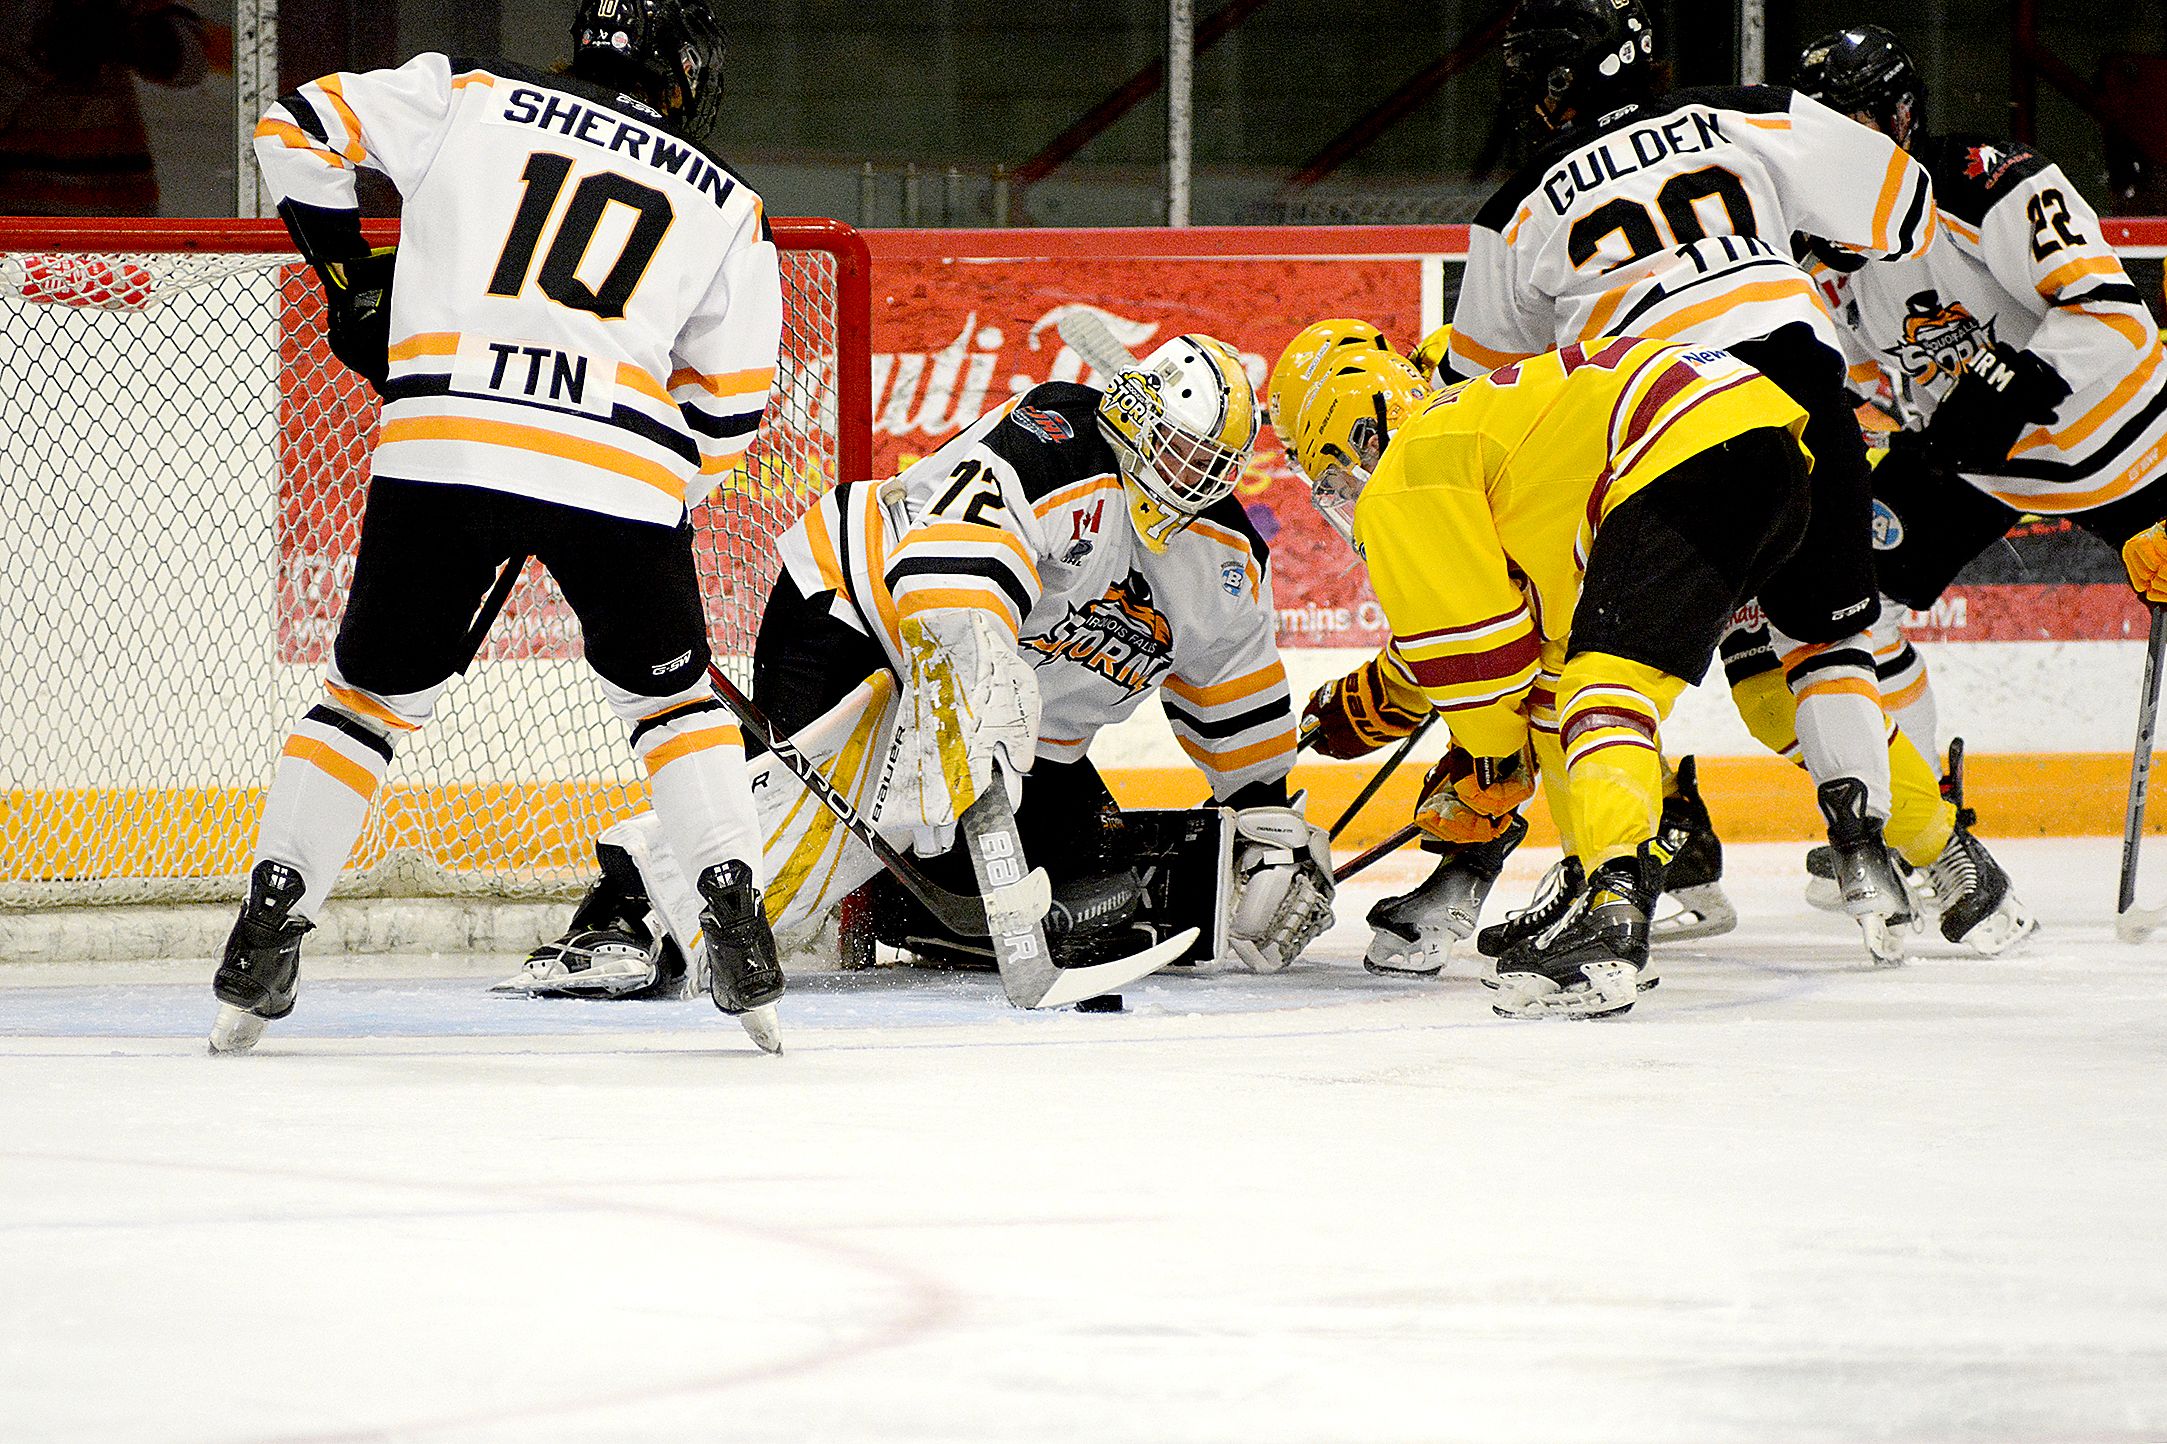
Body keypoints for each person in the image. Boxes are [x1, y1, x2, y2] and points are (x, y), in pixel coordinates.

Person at [212, 0, 786, 1053]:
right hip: (616, 464)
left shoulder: (466, 93)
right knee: (671, 702)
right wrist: (658, 489)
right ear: (679, 67)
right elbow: (735, 403)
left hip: (447, 441)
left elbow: (290, 126)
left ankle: (269, 921)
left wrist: (349, 279)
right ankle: (733, 908)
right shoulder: (726, 198)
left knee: (368, 702)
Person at [509, 333, 1336, 997]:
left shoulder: (1225, 559)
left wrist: (1268, 831)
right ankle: (619, 913)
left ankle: (913, 898)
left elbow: (1235, 698)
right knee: (830, 811)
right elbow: (946, 578)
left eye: (1210, 468)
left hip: (1013, 722)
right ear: (1136, 417)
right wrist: (985, 686)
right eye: (1177, 452)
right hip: (857, 615)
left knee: (1099, 892)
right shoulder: (1054, 439)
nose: (1186, 479)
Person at [1448, 0, 1943, 959]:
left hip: (1681, 422)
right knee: (1824, 640)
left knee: (1604, 678)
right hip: (1809, 392)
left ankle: (1614, 900)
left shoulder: (1512, 209)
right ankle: (1864, 847)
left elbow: (1488, 401)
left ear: (1565, 82)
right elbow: (1904, 210)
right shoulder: (1745, 112)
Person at [1279, 337, 1814, 1018]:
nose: (1339, 495)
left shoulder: (1407, 473)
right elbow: (1516, 645)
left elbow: (1477, 661)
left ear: (1351, 434)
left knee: (1600, 694)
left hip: (1685, 450)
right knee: (1574, 689)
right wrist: (1379, 704)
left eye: (1328, 475)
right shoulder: (1477, 440)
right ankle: (1609, 875)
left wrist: (1489, 769)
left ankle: (1611, 913)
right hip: (1764, 449)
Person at [1785, 25, 2167, 938]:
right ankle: (1917, 824)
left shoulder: (1987, 177)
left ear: (1899, 120)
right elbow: (1865, 380)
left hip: (2128, 441)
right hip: (1980, 463)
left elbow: (2113, 322)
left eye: (1851, 126)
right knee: (1844, 597)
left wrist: (2009, 388)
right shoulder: (1813, 246)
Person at [0, 0, 207, 214]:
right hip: (19, 210)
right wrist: (39, 56)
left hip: (116, 204)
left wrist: (130, 37)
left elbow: (191, 62)